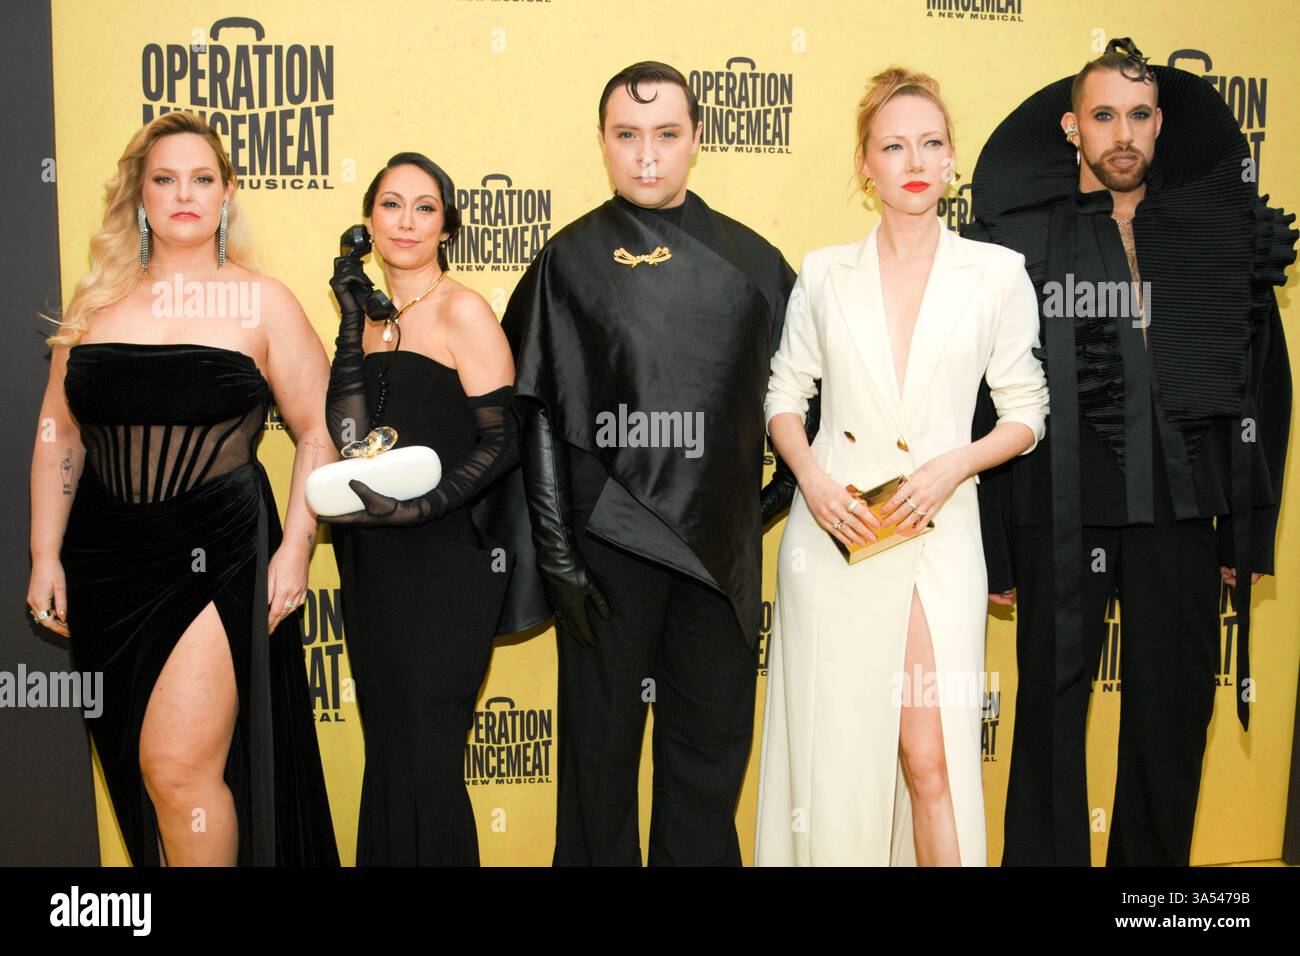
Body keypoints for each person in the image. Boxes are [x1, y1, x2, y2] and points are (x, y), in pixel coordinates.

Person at [964, 38, 1295, 865]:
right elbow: (981, 398)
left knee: (1173, 719)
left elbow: (1261, 386)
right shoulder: (1017, 247)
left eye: (1139, 116)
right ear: (1072, 128)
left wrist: (1247, 531)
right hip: (1054, 512)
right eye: (1104, 115)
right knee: (1046, 718)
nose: (1123, 133)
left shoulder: (1218, 236)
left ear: (1160, 126)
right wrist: (992, 544)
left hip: (1179, 514)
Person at [502, 61, 806, 866]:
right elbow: (532, 411)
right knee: (598, 764)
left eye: (666, 135)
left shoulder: (756, 262)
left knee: (706, 763)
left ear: (696, 140)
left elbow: (802, 405)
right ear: (602, 142)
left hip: (719, 561)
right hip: (608, 548)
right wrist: (558, 553)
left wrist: (760, 509)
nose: (646, 156)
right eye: (627, 136)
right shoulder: (567, 260)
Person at [26, 111, 339, 866]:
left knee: (179, 770)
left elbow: (319, 434)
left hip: (214, 555)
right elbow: (58, 436)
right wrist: (44, 555)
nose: (184, 195)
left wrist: (296, 550)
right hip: (104, 561)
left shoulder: (263, 302)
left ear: (227, 195)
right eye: (164, 180)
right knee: (144, 778)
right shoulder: (94, 305)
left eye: (202, 179)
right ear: (140, 198)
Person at [754, 68, 1048, 866]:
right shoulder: (823, 273)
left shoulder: (998, 273)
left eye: (930, 143)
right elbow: (784, 394)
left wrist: (956, 464)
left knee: (932, 757)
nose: (913, 159)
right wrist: (811, 481)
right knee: (836, 766)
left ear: (953, 158)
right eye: (893, 145)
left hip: (937, 532)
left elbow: (1027, 413)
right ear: (865, 165)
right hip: (836, 533)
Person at [320, 153, 543, 866]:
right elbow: (350, 435)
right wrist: (353, 323)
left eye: (424, 206)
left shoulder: (463, 310)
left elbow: (504, 440)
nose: (406, 221)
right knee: (388, 746)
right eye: (391, 205)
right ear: (368, 224)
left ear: (447, 224)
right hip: (371, 559)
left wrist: (423, 510)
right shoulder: (372, 321)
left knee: (428, 752)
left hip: (445, 559)